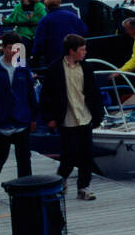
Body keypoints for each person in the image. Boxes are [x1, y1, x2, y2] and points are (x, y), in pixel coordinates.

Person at [38, 34, 105, 201]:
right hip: (66, 118)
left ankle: (84, 187)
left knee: (86, 155)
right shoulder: (54, 69)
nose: (85, 52)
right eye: (82, 49)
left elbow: (94, 93)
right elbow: (46, 96)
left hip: (84, 116)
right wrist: (49, 118)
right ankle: (61, 179)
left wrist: (98, 115)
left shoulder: (87, 68)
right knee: (69, 155)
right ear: (71, 51)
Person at [0, 32, 37, 201]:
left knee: (24, 159)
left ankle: (26, 192)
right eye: (10, 48)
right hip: (2, 121)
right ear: (3, 48)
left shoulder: (23, 66)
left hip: (22, 120)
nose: (13, 51)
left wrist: (34, 117)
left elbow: (30, 93)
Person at [31, 0, 88, 74]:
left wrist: (35, 57)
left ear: (46, 6)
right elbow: (84, 31)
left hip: (54, 59)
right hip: (73, 56)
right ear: (59, 4)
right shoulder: (71, 16)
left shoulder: (44, 21)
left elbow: (39, 42)